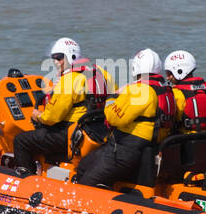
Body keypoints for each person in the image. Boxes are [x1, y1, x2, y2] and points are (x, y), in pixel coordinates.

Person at [74, 48, 177, 188]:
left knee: (86, 182)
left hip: (125, 152)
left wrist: (114, 96)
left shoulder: (139, 90)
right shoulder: (165, 88)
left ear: (136, 67)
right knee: (84, 165)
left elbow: (112, 118)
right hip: (150, 147)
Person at [12, 37, 108, 176]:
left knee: (21, 140)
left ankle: (26, 180)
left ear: (70, 56)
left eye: (58, 57)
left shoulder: (68, 80)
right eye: (54, 58)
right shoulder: (100, 73)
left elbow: (52, 117)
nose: (55, 62)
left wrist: (38, 116)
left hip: (71, 134)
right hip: (96, 129)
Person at [164, 49, 206, 136]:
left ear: (179, 71)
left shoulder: (174, 95)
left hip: (183, 144)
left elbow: (166, 126)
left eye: (169, 73)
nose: (167, 78)